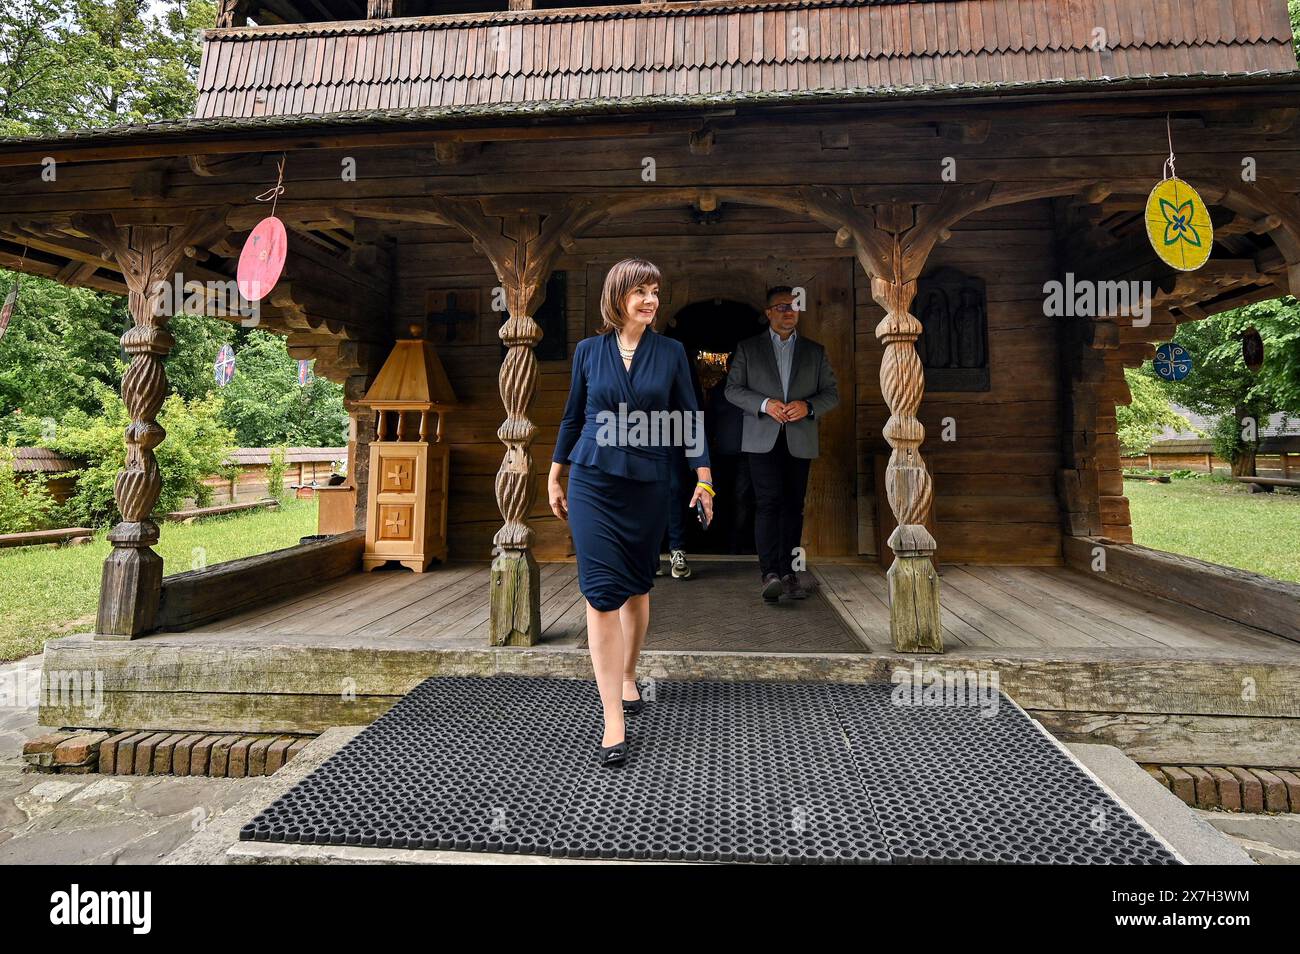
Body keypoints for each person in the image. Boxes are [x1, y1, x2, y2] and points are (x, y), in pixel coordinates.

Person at [548, 258, 714, 766]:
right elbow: (574, 413)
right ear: (617, 297)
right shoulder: (588, 351)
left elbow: (688, 416)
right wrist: (555, 472)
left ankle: (627, 674)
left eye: (654, 291)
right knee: (600, 595)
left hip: (648, 481)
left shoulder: (671, 353)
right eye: (640, 290)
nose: (650, 300)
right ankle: (612, 719)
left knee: (638, 587)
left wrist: (704, 477)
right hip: (592, 478)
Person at [724, 286, 839, 603]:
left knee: (793, 507)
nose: (789, 311)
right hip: (762, 439)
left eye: (795, 306)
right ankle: (769, 574)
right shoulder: (748, 348)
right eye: (782, 306)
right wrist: (763, 404)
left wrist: (809, 407)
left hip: (799, 439)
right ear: (768, 312)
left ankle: (788, 574)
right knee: (768, 503)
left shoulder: (815, 352)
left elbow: (831, 394)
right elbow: (732, 390)